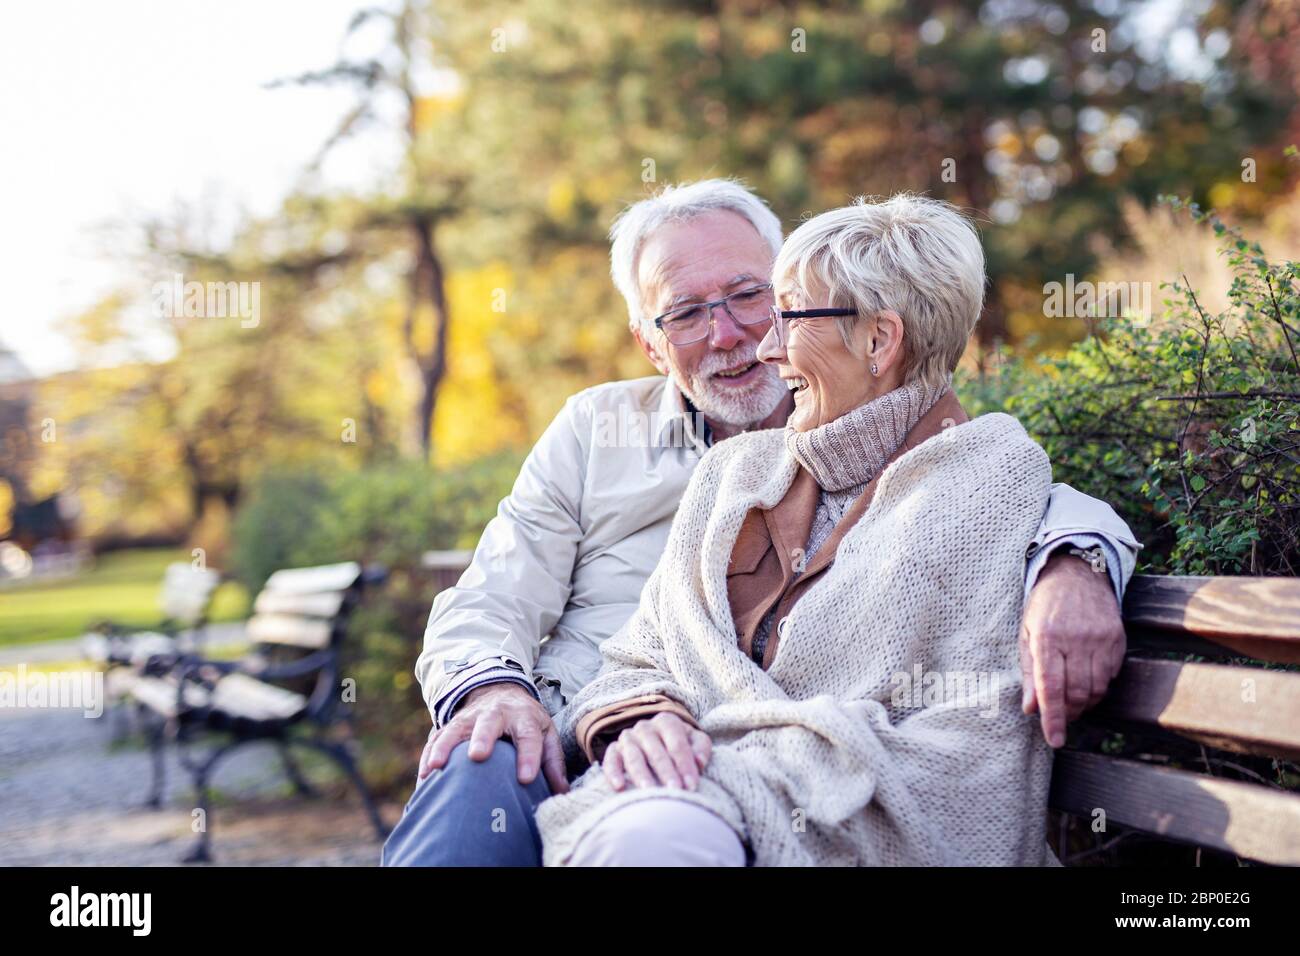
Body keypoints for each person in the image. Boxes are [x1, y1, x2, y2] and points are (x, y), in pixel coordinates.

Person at [380, 180, 1139, 867]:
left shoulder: (908, 443)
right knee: (478, 763)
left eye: (752, 298)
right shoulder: (597, 430)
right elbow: (493, 597)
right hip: (570, 731)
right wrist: (493, 692)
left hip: (719, 773)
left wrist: (1080, 559)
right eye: (684, 313)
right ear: (649, 341)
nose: (735, 336)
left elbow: (999, 487)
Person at [539, 194, 1062, 865]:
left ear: (879, 339)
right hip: (680, 801)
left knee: (650, 840)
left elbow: (970, 736)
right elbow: (636, 661)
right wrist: (647, 720)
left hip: (771, 815)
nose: (764, 346)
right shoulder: (734, 473)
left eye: (789, 317)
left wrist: (731, 772)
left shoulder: (987, 476)